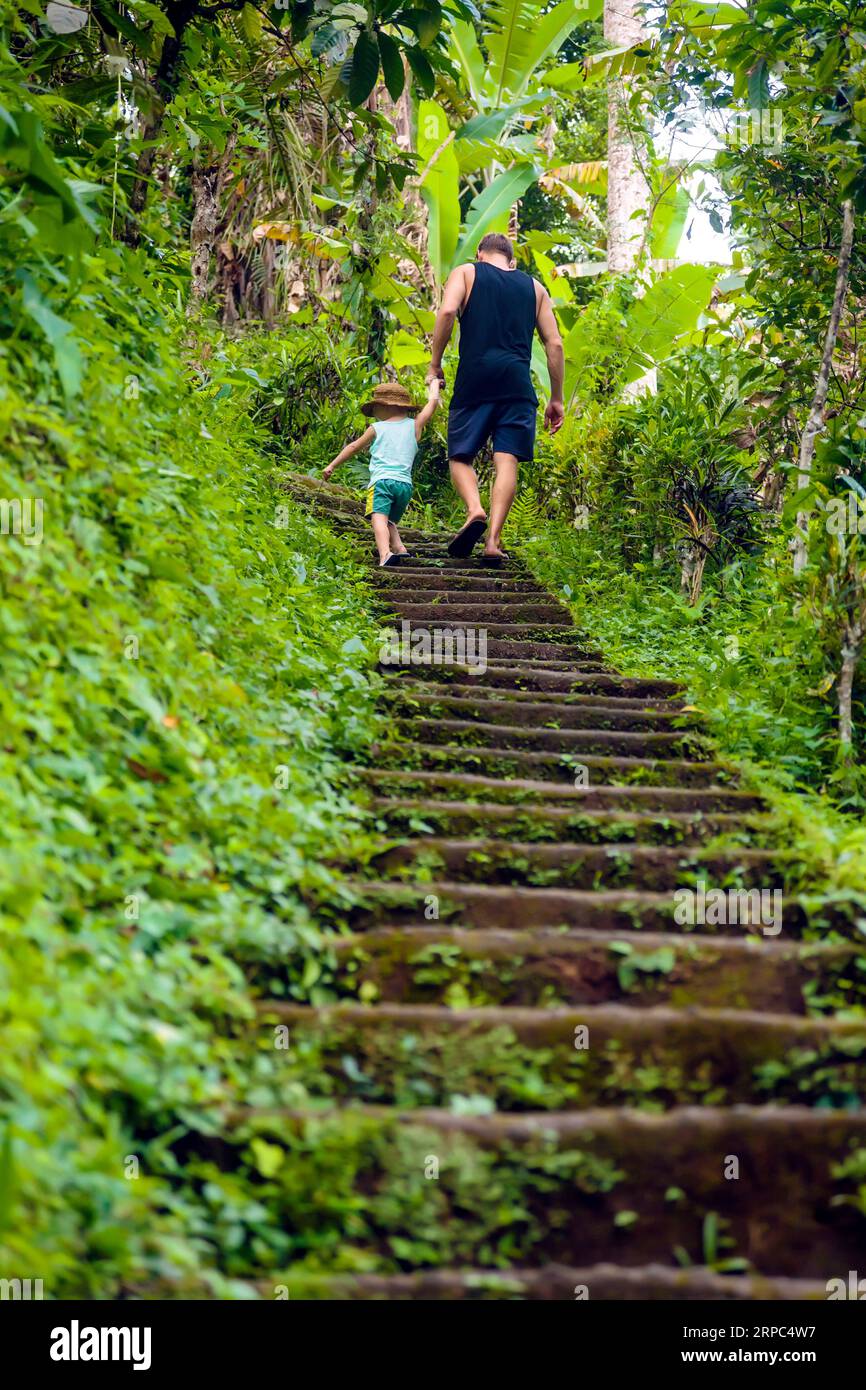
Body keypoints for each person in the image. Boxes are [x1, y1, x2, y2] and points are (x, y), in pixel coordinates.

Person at [426, 232, 565, 564]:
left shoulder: (466, 272)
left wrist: (435, 364)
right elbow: (555, 345)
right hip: (517, 386)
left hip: (475, 380)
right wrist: (556, 398)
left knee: (460, 456)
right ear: (512, 261)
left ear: (479, 254)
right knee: (507, 461)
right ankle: (492, 542)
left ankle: (475, 509)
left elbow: (446, 313)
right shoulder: (535, 289)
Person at [322, 378, 440, 566]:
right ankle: (400, 548)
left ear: (387, 407)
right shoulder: (415, 426)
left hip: (382, 482)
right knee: (390, 520)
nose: (374, 413)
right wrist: (434, 385)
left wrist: (332, 465)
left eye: (375, 407)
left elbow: (353, 447)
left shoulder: (377, 428)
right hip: (404, 486)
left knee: (378, 518)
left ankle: (385, 553)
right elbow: (432, 404)